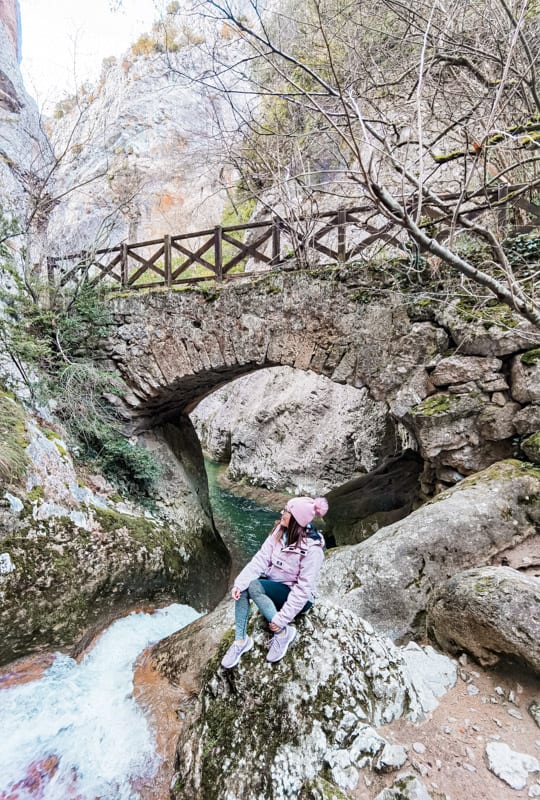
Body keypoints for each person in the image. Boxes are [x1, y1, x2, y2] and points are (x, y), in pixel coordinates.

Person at [221, 496, 328, 668]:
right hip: (277, 586)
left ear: (296, 518)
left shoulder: (312, 550)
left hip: (299, 598)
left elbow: (302, 590)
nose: (282, 513)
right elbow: (260, 560)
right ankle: (240, 642)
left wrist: (281, 619)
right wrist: (239, 583)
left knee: (254, 585)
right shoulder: (280, 531)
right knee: (244, 587)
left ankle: (283, 634)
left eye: (286, 510)